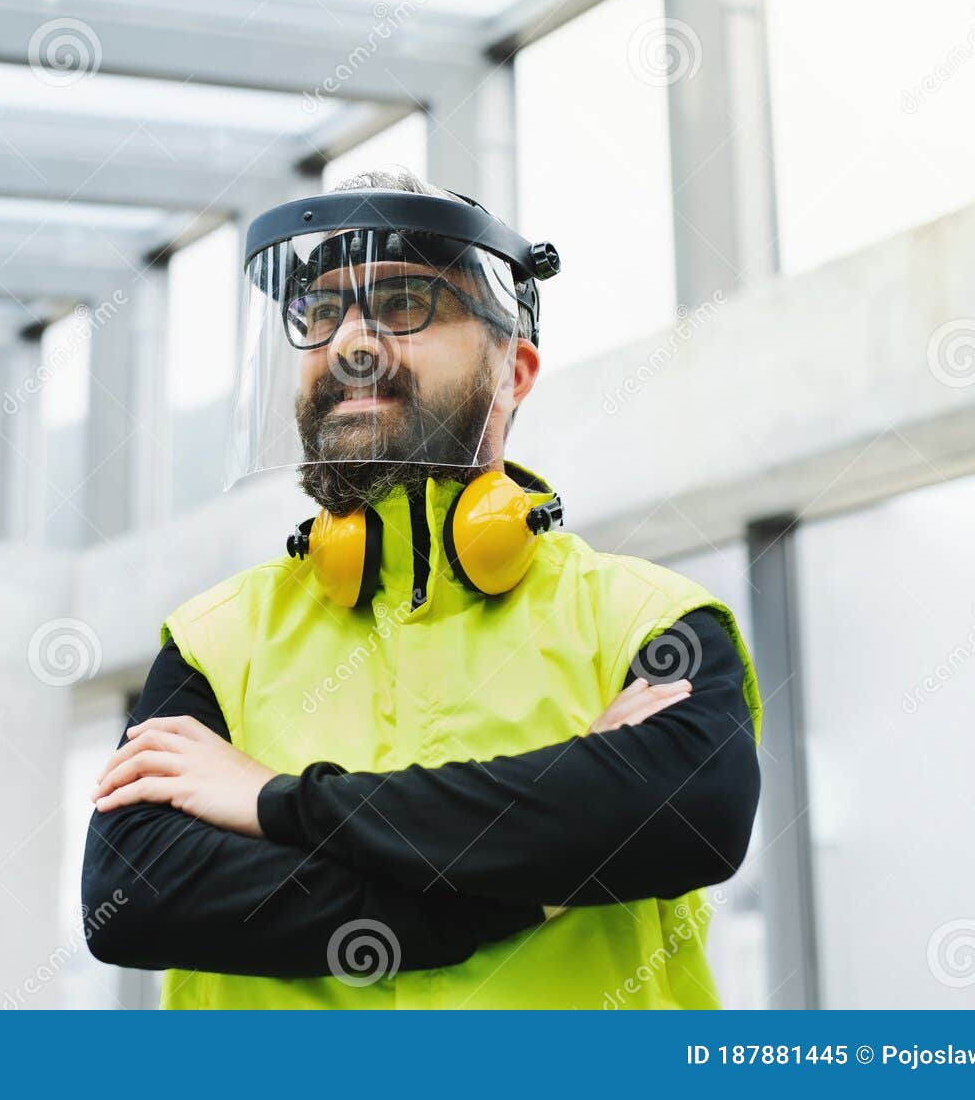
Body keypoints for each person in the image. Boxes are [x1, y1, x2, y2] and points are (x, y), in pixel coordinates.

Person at [81, 169, 762, 1009]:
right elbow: (137, 899)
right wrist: (533, 876)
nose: (349, 345)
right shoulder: (214, 643)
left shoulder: (648, 621)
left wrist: (271, 802)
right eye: (321, 314)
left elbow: (688, 820)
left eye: (404, 304)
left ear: (514, 372)